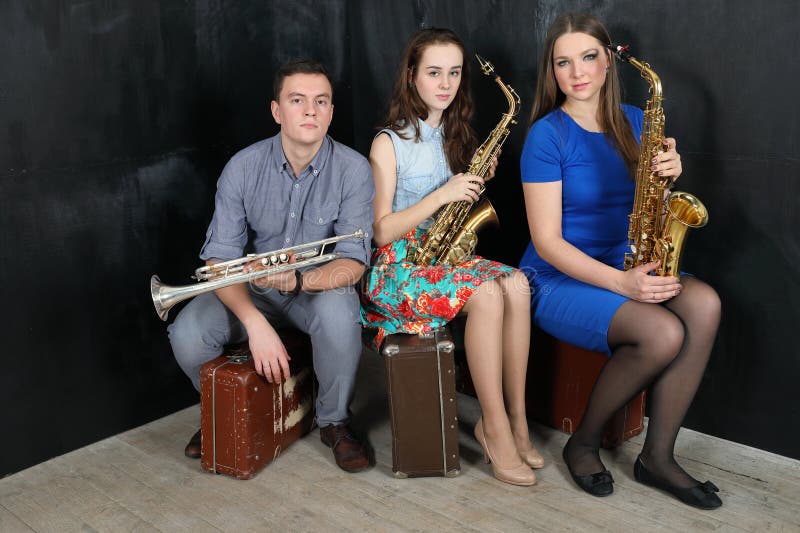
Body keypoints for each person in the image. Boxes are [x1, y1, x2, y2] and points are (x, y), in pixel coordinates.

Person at [520, 12, 722, 508]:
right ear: (552, 70)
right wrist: (622, 284)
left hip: (627, 259)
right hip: (558, 275)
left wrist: (669, 174)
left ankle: (658, 457)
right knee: (662, 333)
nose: (577, 72)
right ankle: (583, 443)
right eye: (563, 62)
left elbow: (650, 207)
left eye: (588, 57)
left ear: (608, 61)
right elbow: (547, 243)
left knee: (706, 305)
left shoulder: (636, 120)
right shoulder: (546, 135)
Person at [168, 59, 375, 473]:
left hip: (314, 287)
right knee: (187, 333)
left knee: (341, 317)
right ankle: (221, 408)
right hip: (254, 290)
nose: (311, 110)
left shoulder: (354, 169)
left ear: (331, 111)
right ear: (277, 111)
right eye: (297, 100)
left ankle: (334, 421)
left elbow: (352, 263)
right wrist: (254, 322)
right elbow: (219, 261)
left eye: (321, 101)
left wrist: (300, 281)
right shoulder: (243, 168)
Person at [360, 28, 540, 486]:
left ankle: (517, 421)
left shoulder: (454, 135)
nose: (445, 83)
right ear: (412, 76)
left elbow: (457, 209)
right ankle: (493, 427)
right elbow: (381, 230)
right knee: (486, 294)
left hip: (441, 257)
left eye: (454, 73)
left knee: (518, 284)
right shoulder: (388, 142)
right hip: (399, 268)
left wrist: (477, 179)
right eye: (434, 72)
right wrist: (444, 193)